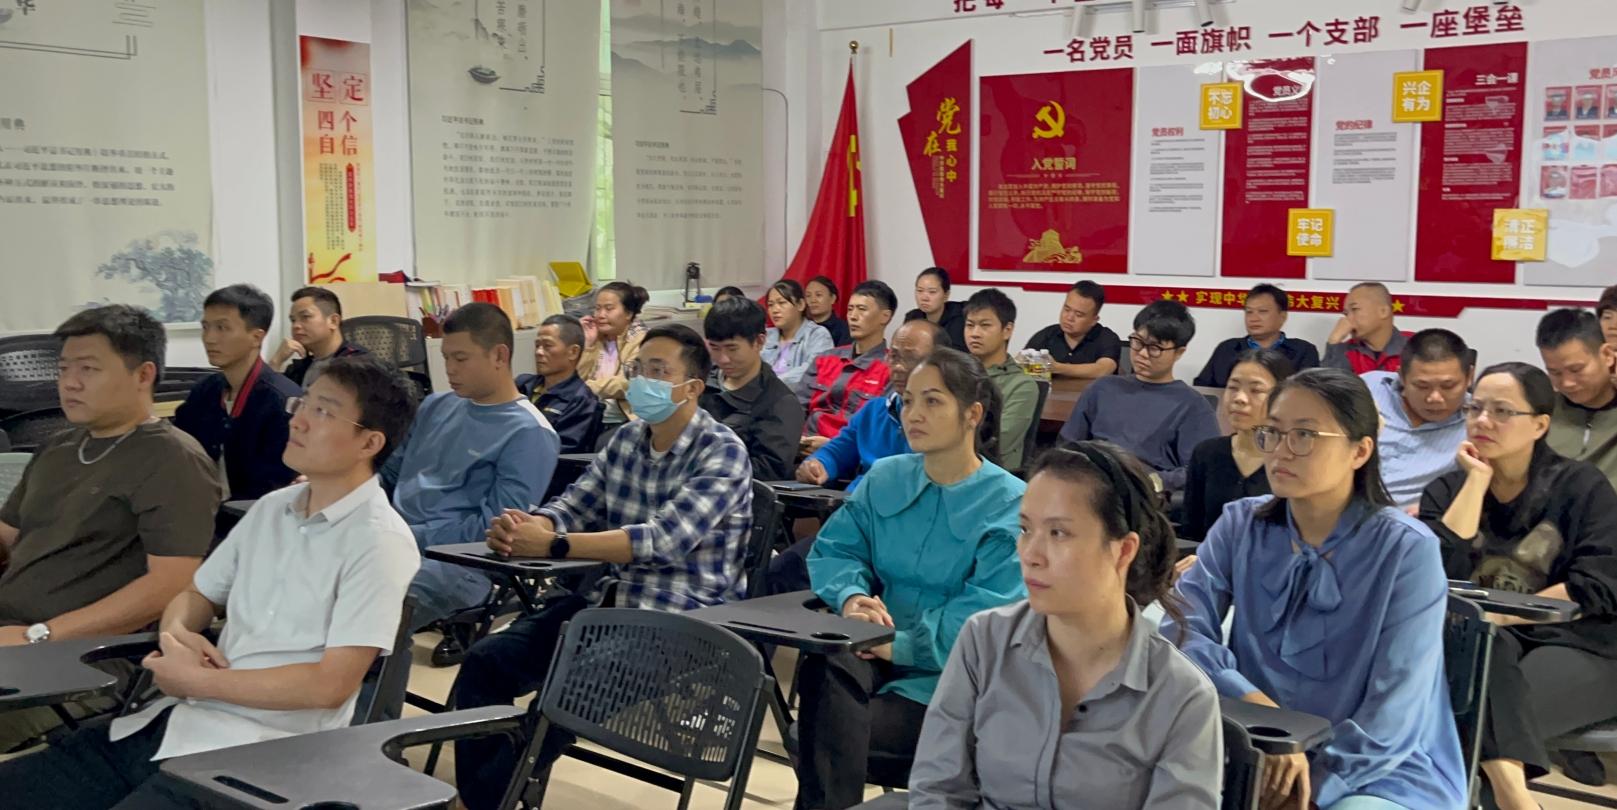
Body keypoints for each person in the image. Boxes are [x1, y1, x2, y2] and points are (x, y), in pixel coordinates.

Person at [0, 356, 421, 809]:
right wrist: (177, 634)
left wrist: (197, 682)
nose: (298, 420)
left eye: (323, 411)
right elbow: (197, 592)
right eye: (302, 404)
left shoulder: (379, 542)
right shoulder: (272, 508)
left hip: (262, 754)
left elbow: (329, 685)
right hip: (175, 722)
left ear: (369, 442)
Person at [451, 323, 753, 810]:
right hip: (608, 603)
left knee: (566, 692)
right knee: (486, 662)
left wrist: (553, 545)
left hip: (684, 621)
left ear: (692, 387)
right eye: (639, 369)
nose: (643, 381)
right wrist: (529, 526)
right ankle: (487, 797)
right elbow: (576, 504)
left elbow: (662, 540)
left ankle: (484, 801)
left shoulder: (722, 450)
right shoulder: (627, 439)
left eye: (659, 371)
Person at [1163, 368, 1466, 810]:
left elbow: (1394, 711)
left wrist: (1313, 785)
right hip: (1250, 746)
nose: (1281, 450)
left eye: (1305, 435)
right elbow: (1182, 629)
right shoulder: (1240, 523)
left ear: (1360, 450)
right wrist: (1265, 720)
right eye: (1273, 432)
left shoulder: (1406, 549)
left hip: (1377, 769)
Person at [909, 443, 1222, 809]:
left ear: (1123, 550)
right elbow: (938, 789)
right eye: (1025, 529)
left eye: (1058, 533)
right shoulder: (985, 640)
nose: (1030, 554)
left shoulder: (1181, 695)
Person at [794, 347, 1026, 810]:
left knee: (824, 733)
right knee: (826, 667)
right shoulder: (886, 476)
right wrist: (852, 597)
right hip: (871, 650)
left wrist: (896, 645)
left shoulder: (1010, 503)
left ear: (973, 415)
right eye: (908, 400)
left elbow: (986, 614)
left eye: (933, 401)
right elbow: (836, 548)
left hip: (951, 679)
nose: (913, 414)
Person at [0, 305, 221, 753]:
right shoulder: (59, 447)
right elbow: (10, 535)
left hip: (80, 659)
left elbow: (170, 585)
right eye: (64, 369)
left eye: (88, 369)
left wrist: (39, 635)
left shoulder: (172, 460)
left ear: (143, 375)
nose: (70, 382)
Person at [1419, 362, 1617, 810]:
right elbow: (1434, 578)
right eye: (1475, 408)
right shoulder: (1447, 491)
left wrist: (1497, 615)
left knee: (1468, 722)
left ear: (1540, 425)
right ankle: (1518, 801)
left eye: (1502, 411)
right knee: (1482, 665)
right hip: (1488, 647)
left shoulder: (1581, 487)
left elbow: (1597, 586)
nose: (1483, 421)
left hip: (1581, 644)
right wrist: (1476, 483)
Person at [381, 303, 559, 632]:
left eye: (460, 359)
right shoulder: (435, 405)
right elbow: (388, 473)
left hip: (458, 563)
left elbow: (491, 531)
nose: (450, 369)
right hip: (392, 540)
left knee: (373, 597)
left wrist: (403, 536)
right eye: (446, 357)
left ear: (499, 356)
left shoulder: (529, 433)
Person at [769, 320, 945, 597]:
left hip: (898, 534)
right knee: (778, 573)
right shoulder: (877, 409)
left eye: (910, 358)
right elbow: (839, 449)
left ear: (940, 363)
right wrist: (819, 464)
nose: (899, 367)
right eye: (894, 356)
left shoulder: (941, 423)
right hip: (853, 521)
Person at [1059, 300, 1218, 491]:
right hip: (1091, 486)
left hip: (1143, 493)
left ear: (1179, 352)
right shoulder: (1101, 388)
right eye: (1138, 342)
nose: (1142, 353)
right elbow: (1068, 446)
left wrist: (1153, 482)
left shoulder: (1192, 406)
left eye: (1154, 348)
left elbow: (1198, 470)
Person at [173, 284, 301, 501]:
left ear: (256, 337)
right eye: (205, 327)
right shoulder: (205, 391)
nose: (209, 338)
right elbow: (179, 450)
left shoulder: (282, 402)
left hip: (252, 514)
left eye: (222, 328)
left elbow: (274, 488)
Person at [1182, 349, 1294, 542]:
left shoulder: (1292, 459)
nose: (1239, 398)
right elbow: (1191, 531)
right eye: (1233, 387)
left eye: (1256, 390)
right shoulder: (1206, 453)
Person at [1364, 329, 1472, 510]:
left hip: (1408, 521)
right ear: (1402, 377)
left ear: (1469, 377)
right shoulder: (1369, 388)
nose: (1435, 398)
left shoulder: (1478, 424)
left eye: (1448, 386)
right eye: (1422, 386)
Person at [699, 297, 805, 481]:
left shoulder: (780, 403)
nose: (723, 358)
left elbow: (769, 470)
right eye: (715, 348)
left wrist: (701, 465)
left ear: (759, 342)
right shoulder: (699, 383)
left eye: (732, 349)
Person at [799, 280, 897, 447]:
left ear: (885, 316)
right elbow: (796, 408)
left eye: (862, 309)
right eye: (850, 309)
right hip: (803, 446)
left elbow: (882, 431)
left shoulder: (892, 370)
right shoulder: (825, 359)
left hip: (849, 454)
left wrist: (834, 448)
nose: (853, 316)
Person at [1536, 308, 1617, 488]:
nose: (1567, 383)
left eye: (1576, 370)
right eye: (1555, 372)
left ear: (1607, 356)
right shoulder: (1539, 412)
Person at [963, 288, 1039, 470]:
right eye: (970, 325)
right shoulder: (955, 372)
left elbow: (995, 442)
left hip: (991, 473)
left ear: (1007, 330)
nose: (975, 333)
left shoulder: (1022, 385)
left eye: (985, 325)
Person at [1193, 283, 1319, 388]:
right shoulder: (1227, 348)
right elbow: (1203, 389)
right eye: (1249, 312)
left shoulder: (1303, 351)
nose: (1253, 318)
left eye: (1262, 312)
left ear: (1282, 316)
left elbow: (1310, 396)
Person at [516, 314, 601, 455]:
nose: (538, 352)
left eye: (547, 346)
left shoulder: (582, 401)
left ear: (573, 352)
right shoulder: (523, 385)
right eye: (537, 345)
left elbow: (561, 450)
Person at [579, 281, 650, 440]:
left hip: (625, 421)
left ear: (628, 313)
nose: (601, 315)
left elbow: (628, 383)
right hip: (588, 417)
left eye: (609, 309)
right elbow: (574, 378)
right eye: (597, 308)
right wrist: (588, 346)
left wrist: (585, 388)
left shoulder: (642, 340)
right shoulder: (594, 337)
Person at [1022, 280, 1121, 381]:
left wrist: (1056, 368)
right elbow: (1022, 365)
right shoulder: (1047, 335)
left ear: (1094, 320)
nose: (1069, 317)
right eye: (1067, 309)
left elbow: (1103, 370)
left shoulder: (1107, 338)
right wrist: (1028, 365)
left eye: (1078, 315)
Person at [269, 285, 367, 387]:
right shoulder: (301, 368)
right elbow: (270, 394)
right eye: (293, 320)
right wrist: (276, 361)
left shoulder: (357, 365)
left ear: (333, 321)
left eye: (305, 317)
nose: (295, 326)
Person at [762, 279, 836, 389]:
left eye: (782, 303)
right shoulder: (765, 336)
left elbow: (813, 371)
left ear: (801, 305)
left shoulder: (818, 335)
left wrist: (770, 385)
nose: (775, 310)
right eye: (770, 305)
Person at [1323, 282, 1408, 375]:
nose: (1348, 319)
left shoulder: (1414, 346)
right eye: (1346, 313)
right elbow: (1328, 382)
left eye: (1355, 309)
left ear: (1383, 311)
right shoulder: (1346, 351)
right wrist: (1334, 341)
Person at [903, 267, 967, 351]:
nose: (924, 298)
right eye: (920, 290)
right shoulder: (912, 318)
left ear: (946, 295)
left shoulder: (961, 317)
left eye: (932, 292)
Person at [805, 275, 853, 347]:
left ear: (832, 298)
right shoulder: (802, 327)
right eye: (808, 296)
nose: (813, 300)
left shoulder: (845, 330)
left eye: (818, 295)